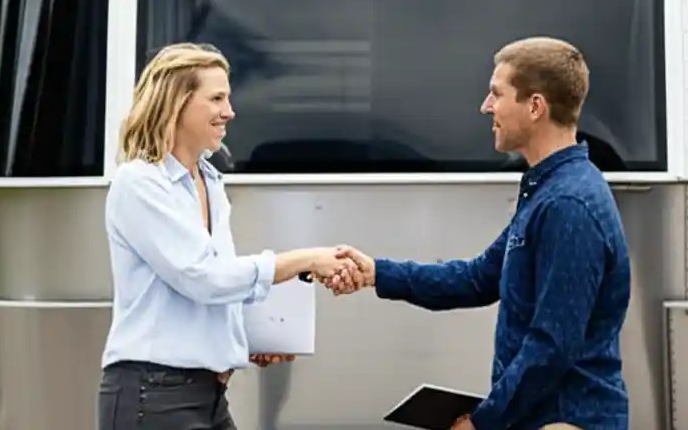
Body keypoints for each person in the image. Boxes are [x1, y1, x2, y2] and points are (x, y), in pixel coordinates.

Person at [327, 37, 632, 430]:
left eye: (496, 94)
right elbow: (476, 279)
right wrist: (375, 272)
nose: (486, 106)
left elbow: (553, 344)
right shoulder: (548, 192)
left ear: (535, 106)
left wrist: (482, 422)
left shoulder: (568, 205)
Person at [97, 42, 360, 430]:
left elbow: (212, 283)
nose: (230, 112)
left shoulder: (210, 181)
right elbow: (201, 278)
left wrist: (247, 339)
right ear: (176, 103)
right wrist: (302, 260)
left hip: (208, 395)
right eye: (217, 98)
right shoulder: (139, 183)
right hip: (152, 396)